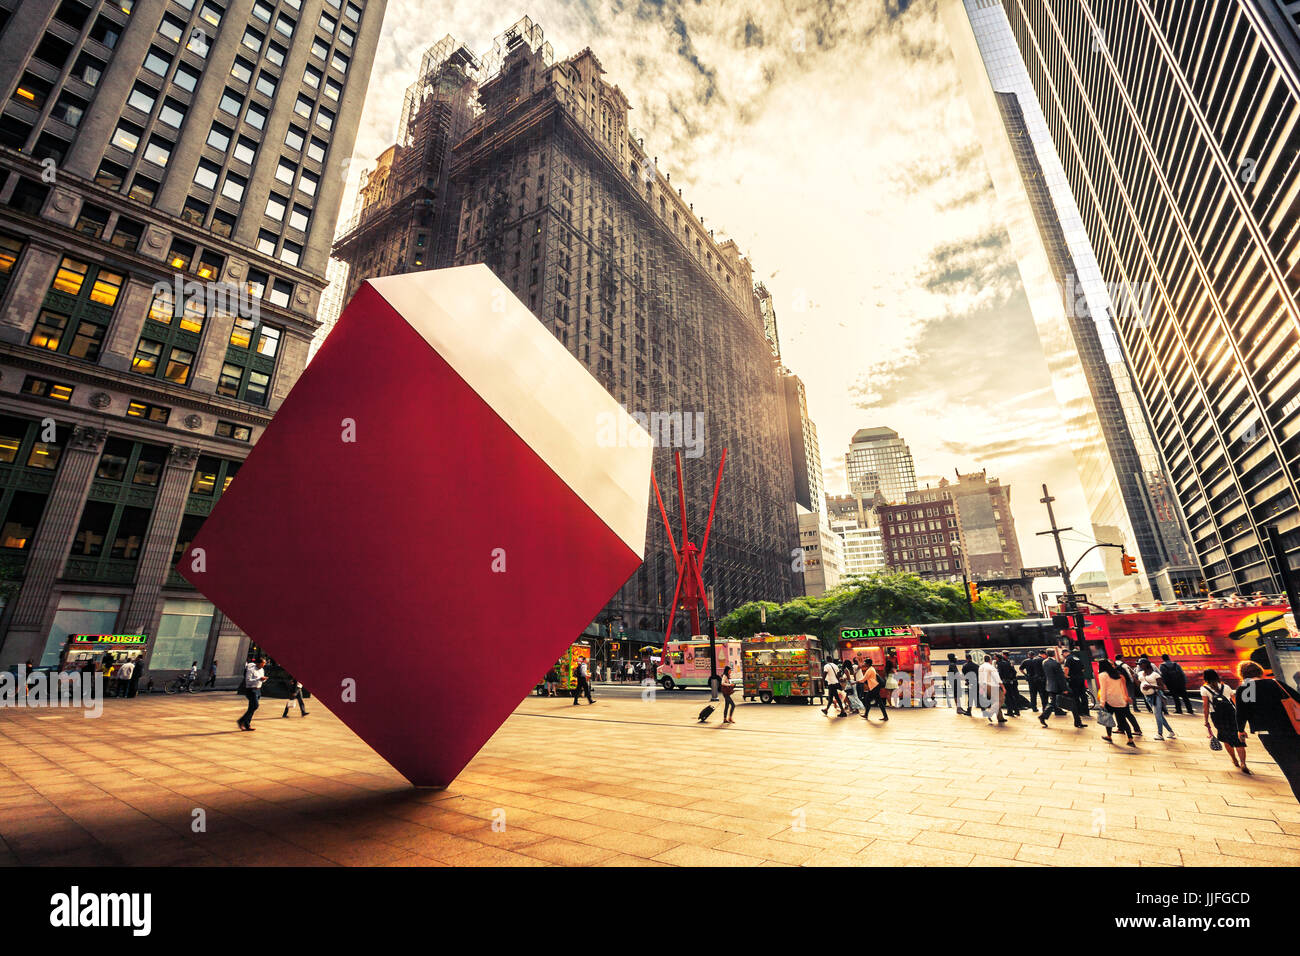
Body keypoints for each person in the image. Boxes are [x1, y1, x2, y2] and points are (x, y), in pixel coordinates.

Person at [1236, 661, 1300, 800]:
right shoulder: (1275, 684)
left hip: (1271, 735)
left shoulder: (1247, 688)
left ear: (1243, 674)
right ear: (1260, 672)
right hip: (1293, 730)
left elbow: (1242, 713)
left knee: (1292, 770)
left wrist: (1240, 730)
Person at [1201, 668, 1248, 774]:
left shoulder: (1204, 689)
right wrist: (1240, 714)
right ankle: (1243, 763)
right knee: (1238, 737)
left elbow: (1205, 706)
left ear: (1205, 678)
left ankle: (1234, 759)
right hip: (1232, 714)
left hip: (1217, 716)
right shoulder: (1225, 686)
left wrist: (1206, 720)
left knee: (1225, 737)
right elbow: (1235, 700)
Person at [1097, 661, 1139, 746]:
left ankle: (1109, 736)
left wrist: (1102, 702)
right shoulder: (1118, 675)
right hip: (1120, 700)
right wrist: (1125, 698)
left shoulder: (1102, 675)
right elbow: (1123, 688)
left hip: (1110, 700)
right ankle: (1130, 739)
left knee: (1108, 719)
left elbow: (1103, 690)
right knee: (1123, 720)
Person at [1039, 652, 1081, 728]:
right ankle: (1078, 722)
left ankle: (1043, 716)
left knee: (1052, 703)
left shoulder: (1044, 662)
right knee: (1073, 702)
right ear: (1054, 654)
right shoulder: (1055, 663)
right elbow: (1060, 677)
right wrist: (1064, 688)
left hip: (1050, 686)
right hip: (1058, 686)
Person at [1136, 659, 1176, 740]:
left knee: (1157, 715)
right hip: (1147, 697)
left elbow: (1163, 688)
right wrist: (1134, 678)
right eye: (1138, 664)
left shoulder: (1155, 675)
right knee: (1159, 715)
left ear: (1146, 664)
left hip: (1156, 696)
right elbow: (1138, 684)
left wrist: (1151, 687)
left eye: (1140, 664)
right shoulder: (1140, 673)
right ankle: (1171, 731)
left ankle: (1160, 734)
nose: (1139, 665)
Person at [1063, 648, 1093, 727]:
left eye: (1063, 654)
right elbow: (1083, 669)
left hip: (1073, 679)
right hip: (1081, 679)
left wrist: (1066, 676)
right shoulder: (1077, 658)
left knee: (1075, 696)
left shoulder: (1068, 659)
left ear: (1065, 653)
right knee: (1083, 695)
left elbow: (1066, 669)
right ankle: (1086, 711)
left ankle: (1079, 711)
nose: (1063, 656)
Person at [237, 656, 267, 731]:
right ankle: (241, 720)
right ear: (258, 663)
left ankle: (247, 724)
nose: (264, 665)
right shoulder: (251, 670)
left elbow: (261, 679)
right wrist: (259, 679)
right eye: (263, 664)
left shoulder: (262, 670)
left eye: (264, 664)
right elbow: (248, 680)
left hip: (258, 689)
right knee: (255, 706)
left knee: (252, 708)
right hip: (251, 690)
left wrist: (263, 680)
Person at [977, 655, 1005, 724]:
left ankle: (1000, 718)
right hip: (992, 686)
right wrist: (1003, 687)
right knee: (1001, 699)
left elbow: (980, 678)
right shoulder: (991, 667)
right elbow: (997, 678)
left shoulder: (981, 667)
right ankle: (990, 713)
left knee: (996, 701)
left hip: (984, 685)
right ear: (990, 660)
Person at [959, 652, 980, 716]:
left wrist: (967, 680)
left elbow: (964, 675)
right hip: (977, 683)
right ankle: (984, 709)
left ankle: (969, 711)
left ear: (966, 659)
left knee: (970, 698)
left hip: (970, 683)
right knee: (978, 696)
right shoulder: (977, 665)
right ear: (971, 658)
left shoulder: (965, 666)